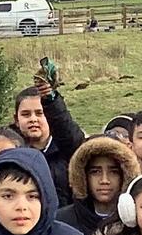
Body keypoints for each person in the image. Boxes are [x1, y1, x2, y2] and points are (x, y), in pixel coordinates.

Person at [13, 70, 87, 202]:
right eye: (26, 114)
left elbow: (69, 134)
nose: (33, 119)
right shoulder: (12, 151)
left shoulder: (67, 149)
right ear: (16, 120)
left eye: (39, 113)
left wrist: (50, 99)